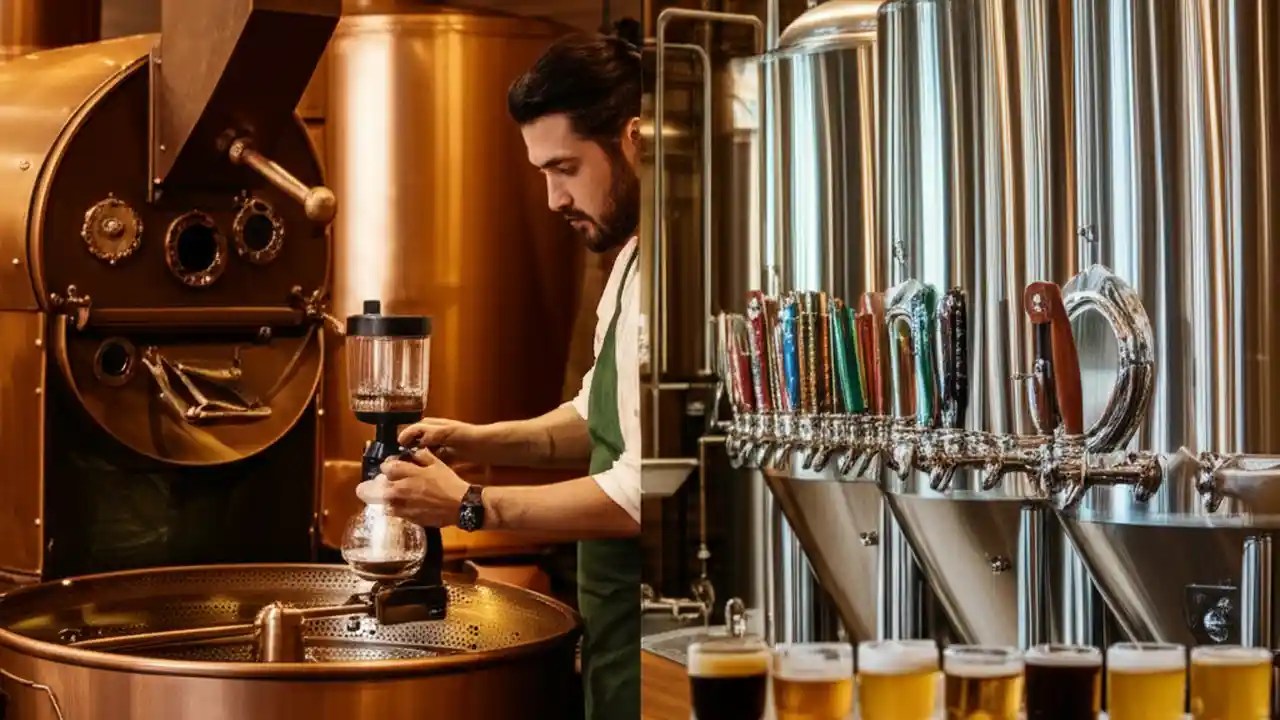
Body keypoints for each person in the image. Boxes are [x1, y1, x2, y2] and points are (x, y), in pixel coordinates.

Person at [356, 33, 642, 720]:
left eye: (565, 167)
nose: (552, 199)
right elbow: (596, 416)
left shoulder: (687, 276)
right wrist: (482, 438)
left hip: (657, 634)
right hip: (610, 627)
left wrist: (470, 506)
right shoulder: (631, 263)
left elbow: (642, 492)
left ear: (638, 141)